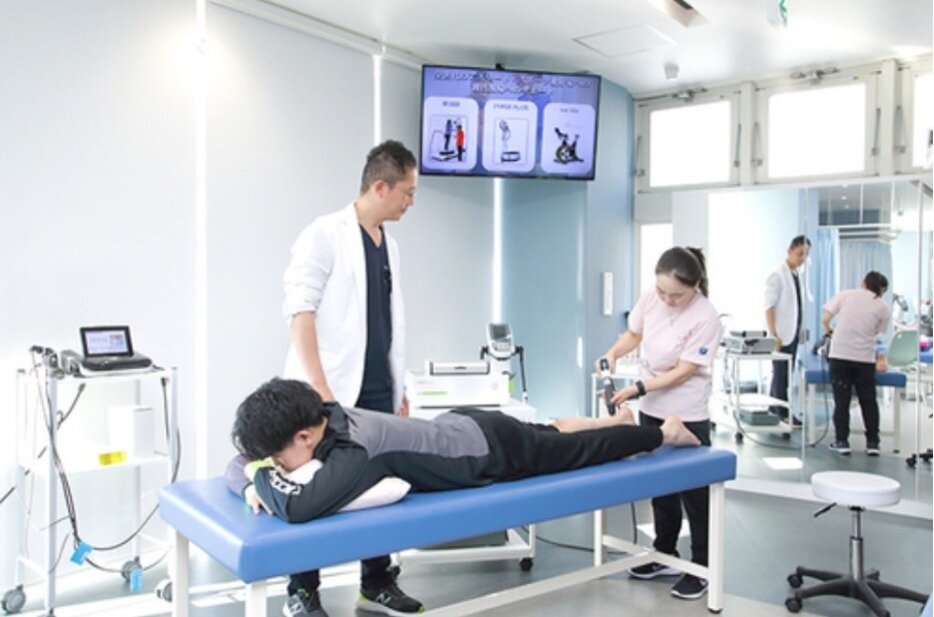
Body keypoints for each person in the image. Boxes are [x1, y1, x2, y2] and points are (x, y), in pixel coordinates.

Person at [227, 378, 701, 520]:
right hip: (465, 427)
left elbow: (298, 507)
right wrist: (252, 477)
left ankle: (662, 433)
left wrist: (256, 478)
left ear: (304, 437)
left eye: (279, 458)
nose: (276, 465)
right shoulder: (323, 411)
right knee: (553, 433)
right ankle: (617, 419)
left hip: (491, 451)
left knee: (583, 450)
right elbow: (241, 462)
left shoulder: (355, 451)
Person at [279, 140, 418, 617]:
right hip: (326, 389)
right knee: (314, 485)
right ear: (380, 186)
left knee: (379, 485)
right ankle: (302, 590)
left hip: (378, 389)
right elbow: (300, 311)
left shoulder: (389, 244)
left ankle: (375, 582)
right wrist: (320, 389)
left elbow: (386, 322)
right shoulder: (324, 234)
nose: (410, 201)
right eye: (407, 192)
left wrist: (400, 387)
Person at [598, 247, 723, 601]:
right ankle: (664, 553)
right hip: (652, 407)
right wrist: (612, 353)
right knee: (661, 487)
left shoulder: (706, 317)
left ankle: (703, 567)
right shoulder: (652, 297)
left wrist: (638, 388)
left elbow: (684, 371)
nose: (667, 300)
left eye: (676, 295)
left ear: (695, 285)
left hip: (687, 412)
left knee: (695, 495)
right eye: (662, 291)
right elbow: (634, 334)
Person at [821, 271, 891, 456]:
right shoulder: (882, 306)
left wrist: (829, 331)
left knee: (841, 401)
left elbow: (825, 319)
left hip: (840, 355)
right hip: (864, 359)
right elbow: (877, 332)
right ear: (881, 290)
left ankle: (842, 441)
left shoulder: (845, 295)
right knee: (868, 401)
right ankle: (873, 443)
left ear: (863, 282)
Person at [764, 235, 811, 423]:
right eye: (799, 253)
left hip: (793, 333)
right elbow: (769, 306)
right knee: (781, 374)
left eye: (806, 254)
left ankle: (773, 409)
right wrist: (774, 334)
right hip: (781, 335)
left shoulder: (795, 274)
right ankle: (782, 413)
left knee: (785, 374)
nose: (802, 258)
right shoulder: (777, 275)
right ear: (789, 251)